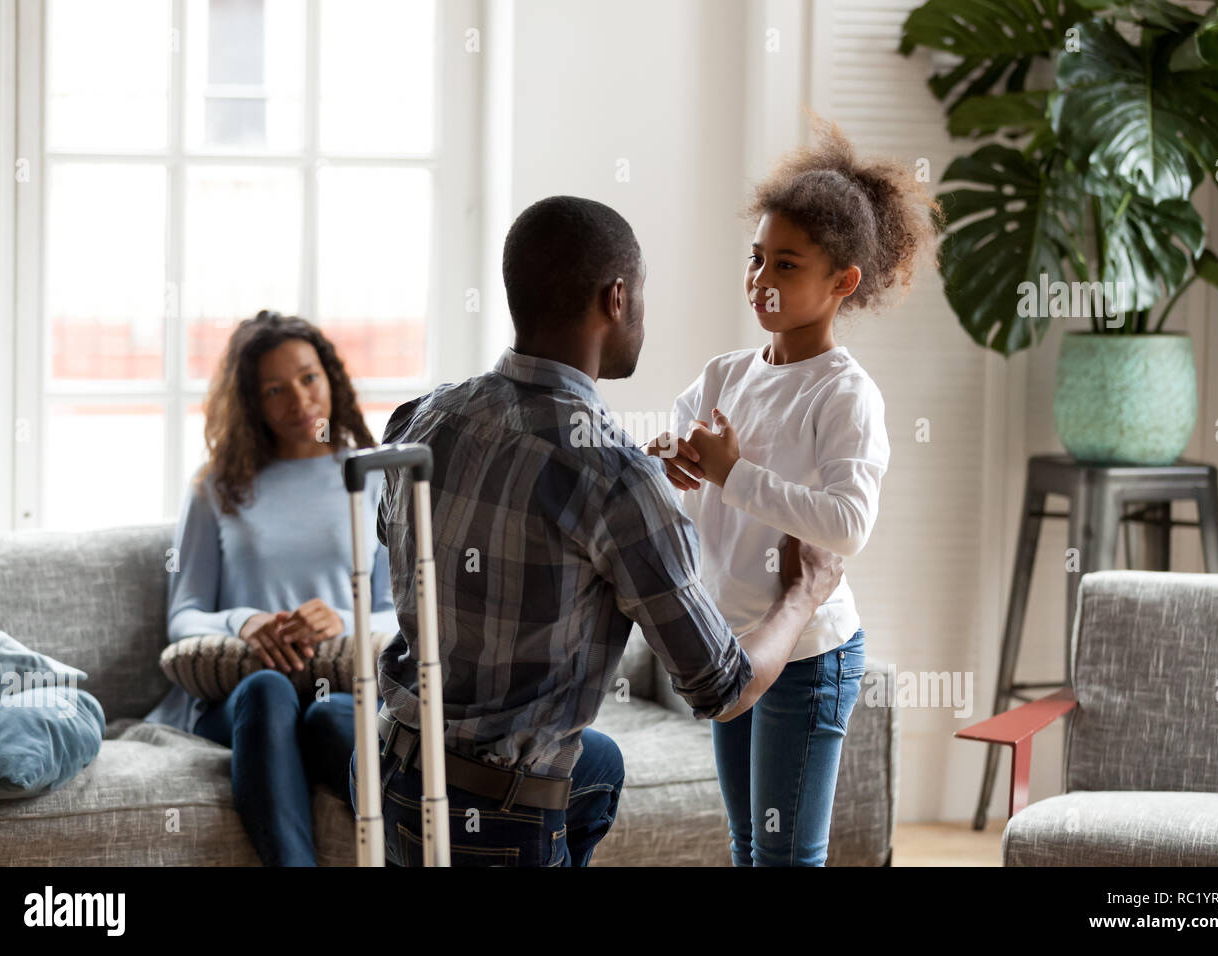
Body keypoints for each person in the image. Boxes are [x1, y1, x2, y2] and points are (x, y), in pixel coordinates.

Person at [356, 195, 848, 867]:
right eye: (640, 295)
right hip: (494, 813)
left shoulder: (426, 416)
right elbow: (722, 689)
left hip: (387, 771)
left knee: (600, 767)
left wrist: (620, 509)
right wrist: (803, 595)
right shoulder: (614, 477)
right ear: (616, 298)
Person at [644, 118, 938, 865]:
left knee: (783, 856)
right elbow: (675, 487)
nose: (761, 282)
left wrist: (731, 475)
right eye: (755, 260)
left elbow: (846, 527)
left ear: (842, 283)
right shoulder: (721, 375)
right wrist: (668, 463)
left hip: (807, 655)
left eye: (786, 265)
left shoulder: (845, 395)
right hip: (731, 647)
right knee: (747, 846)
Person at [144, 310, 398, 866]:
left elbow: (398, 616)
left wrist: (341, 618)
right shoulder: (216, 487)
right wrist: (246, 621)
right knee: (269, 690)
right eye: (275, 390)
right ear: (252, 403)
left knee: (329, 718)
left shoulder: (372, 478)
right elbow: (184, 617)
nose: (300, 400)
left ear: (330, 376)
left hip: (335, 686)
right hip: (238, 697)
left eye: (309, 378)